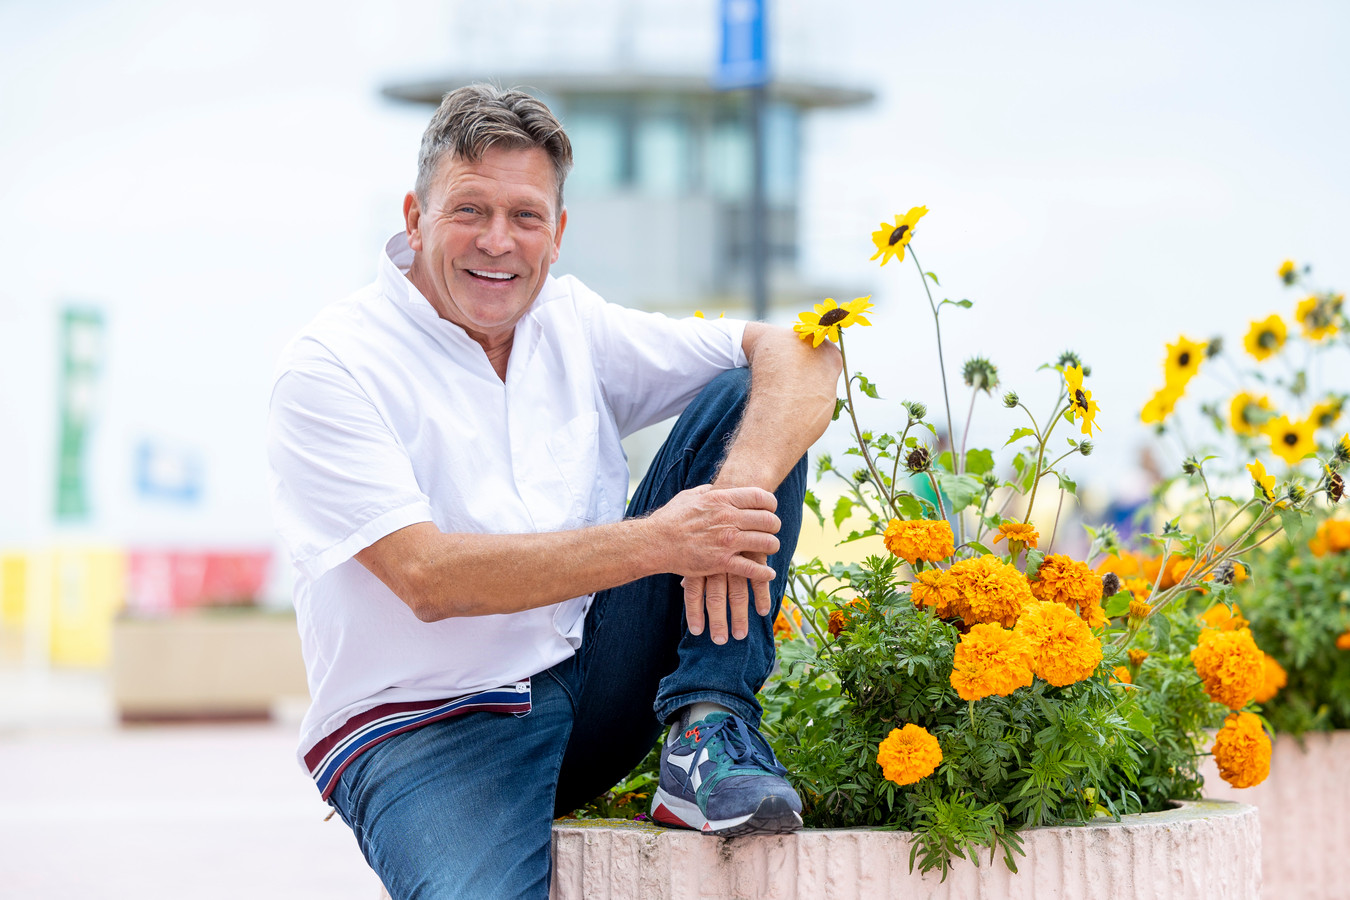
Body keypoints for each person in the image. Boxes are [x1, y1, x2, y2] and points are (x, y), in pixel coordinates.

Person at [266, 83, 841, 899]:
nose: (498, 242)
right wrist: (668, 540)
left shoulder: (572, 323)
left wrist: (732, 497)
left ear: (558, 232)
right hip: (426, 730)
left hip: (590, 678)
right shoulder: (333, 364)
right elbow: (427, 578)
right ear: (415, 215)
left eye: (526, 217)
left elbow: (803, 353)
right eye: (470, 210)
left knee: (748, 397)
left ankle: (707, 728)